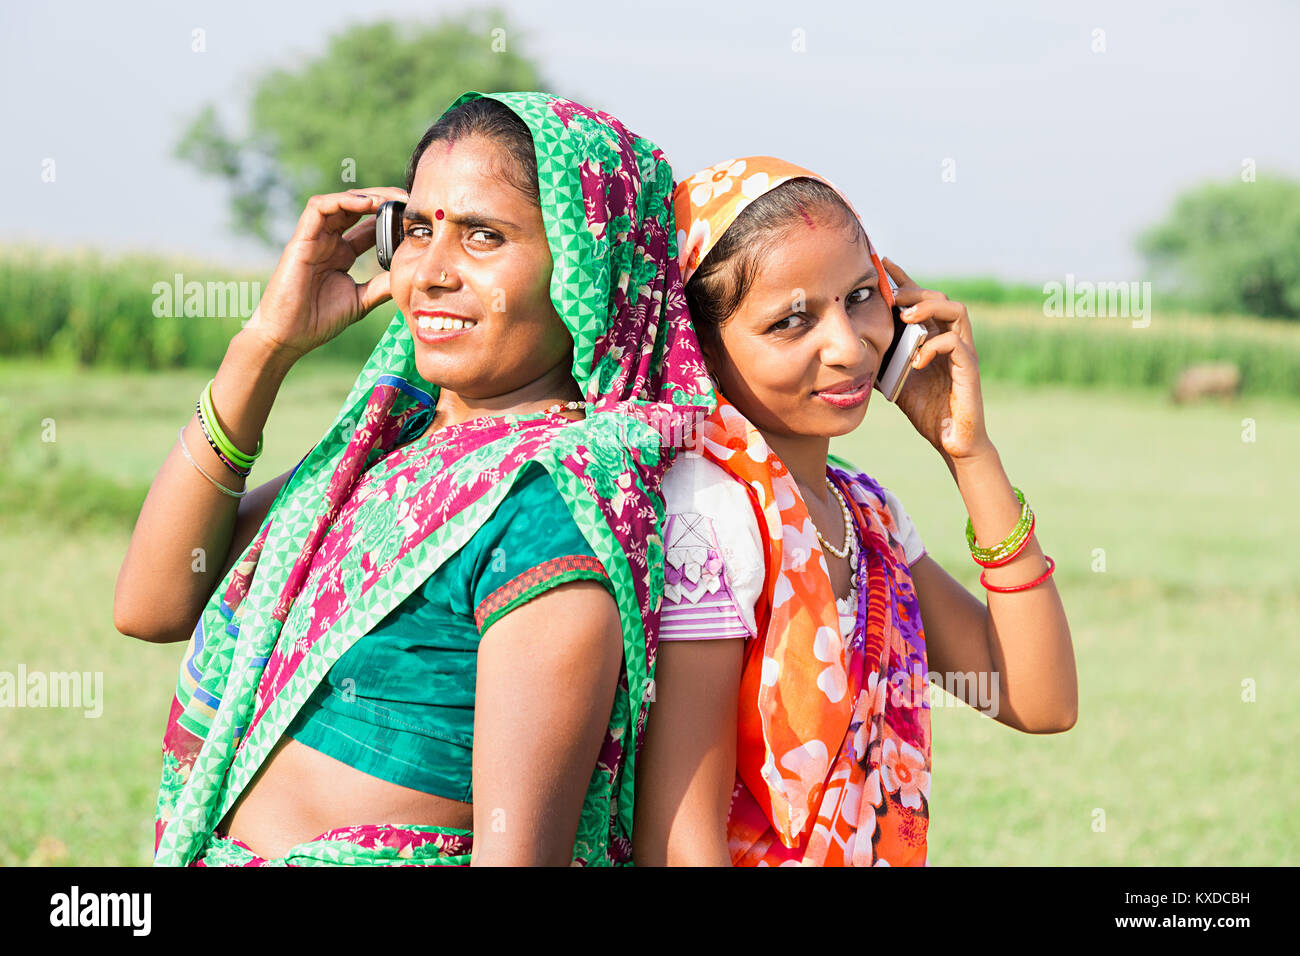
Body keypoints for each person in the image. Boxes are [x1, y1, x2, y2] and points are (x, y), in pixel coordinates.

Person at [113, 91, 714, 866]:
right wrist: (265, 343)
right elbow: (153, 603)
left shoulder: (551, 497)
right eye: (418, 230)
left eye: (484, 238)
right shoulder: (389, 455)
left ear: (588, 269)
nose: (430, 272)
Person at [632, 156, 1077, 866]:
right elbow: (679, 843)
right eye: (792, 321)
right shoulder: (710, 516)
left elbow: (1038, 698)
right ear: (702, 349)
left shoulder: (864, 514)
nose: (848, 345)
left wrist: (969, 453)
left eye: (862, 295)